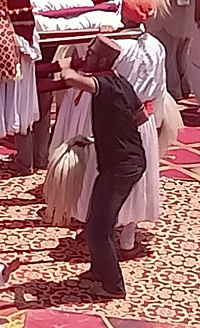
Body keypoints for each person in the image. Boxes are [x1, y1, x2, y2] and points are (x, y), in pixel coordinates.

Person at [59, 34, 146, 298]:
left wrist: (65, 65)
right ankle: (99, 270)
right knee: (97, 222)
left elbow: (71, 80)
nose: (87, 57)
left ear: (104, 59)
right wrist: (109, 134)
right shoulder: (122, 82)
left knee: (97, 229)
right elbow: (140, 116)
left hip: (121, 166)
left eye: (92, 53)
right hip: (119, 161)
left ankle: (113, 286)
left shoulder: (106, 83)